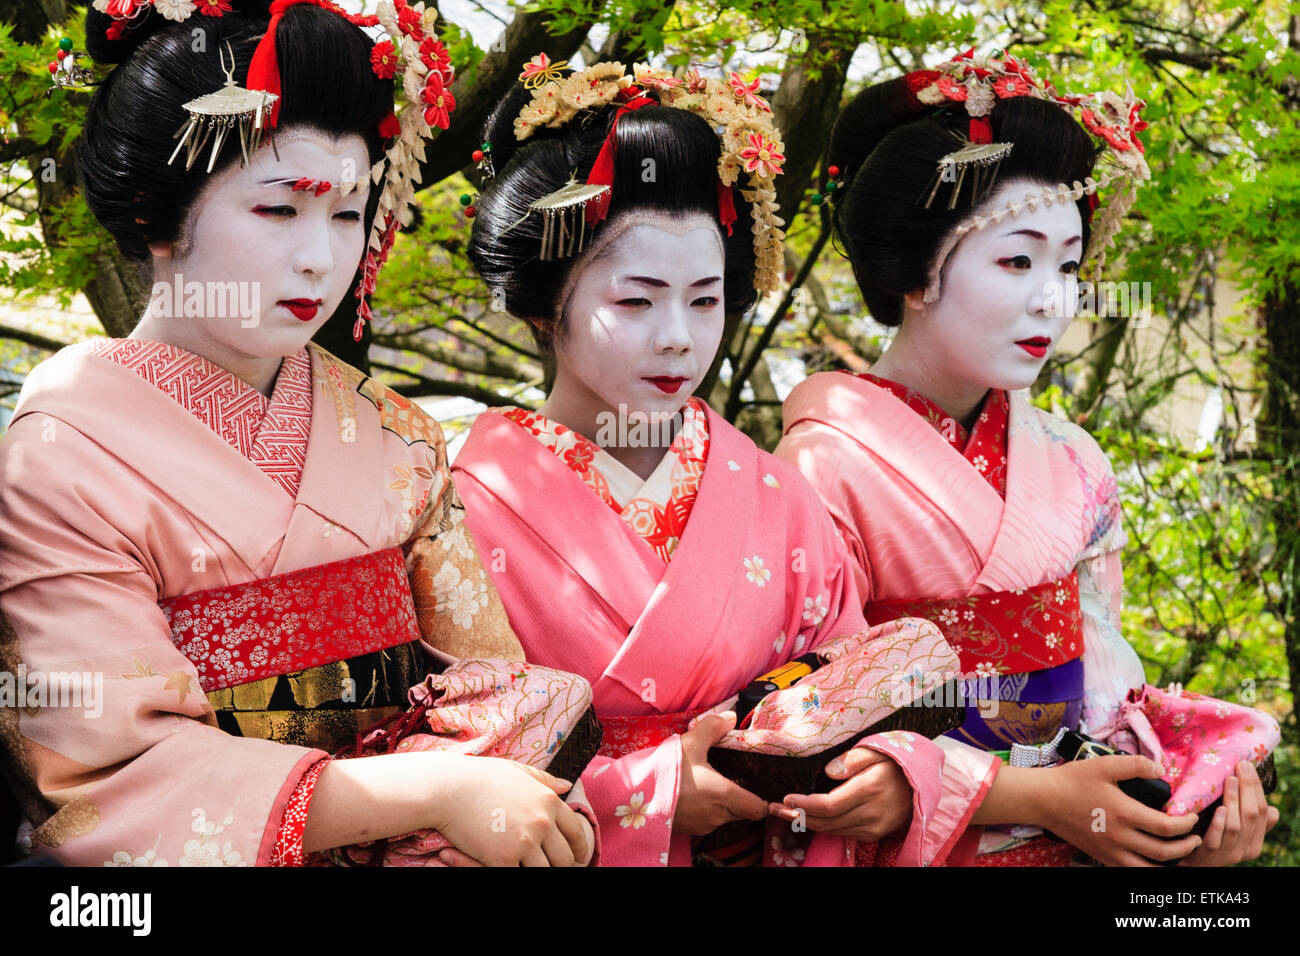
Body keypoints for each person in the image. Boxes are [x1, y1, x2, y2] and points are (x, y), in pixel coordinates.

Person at [0, 0, 593, 868]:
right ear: (154, 213)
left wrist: (485, 790)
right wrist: (434, 791)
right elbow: (108, 780)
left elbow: (493, 687)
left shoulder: (396, 433)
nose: (321, 256)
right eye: (281, 210)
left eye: (348, 212)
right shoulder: (60, 456)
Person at [445, 58, 1000, 867]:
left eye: (705, 299)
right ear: (541, 297)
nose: (678, 335)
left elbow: (860, 679)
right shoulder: (463, 506)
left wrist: (890, 769)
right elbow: (448, 760)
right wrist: (652, 795)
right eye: (635, 300)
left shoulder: (775, 493)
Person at [776, 50, 1279, 865]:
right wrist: (1032, 795)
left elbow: (1107, 698)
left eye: (1070, 265)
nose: (1055, 298)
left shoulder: (1074, 461)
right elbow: (811, 731)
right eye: (1017, 259)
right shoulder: (820, 466)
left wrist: (1180, 824)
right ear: (913, 271)